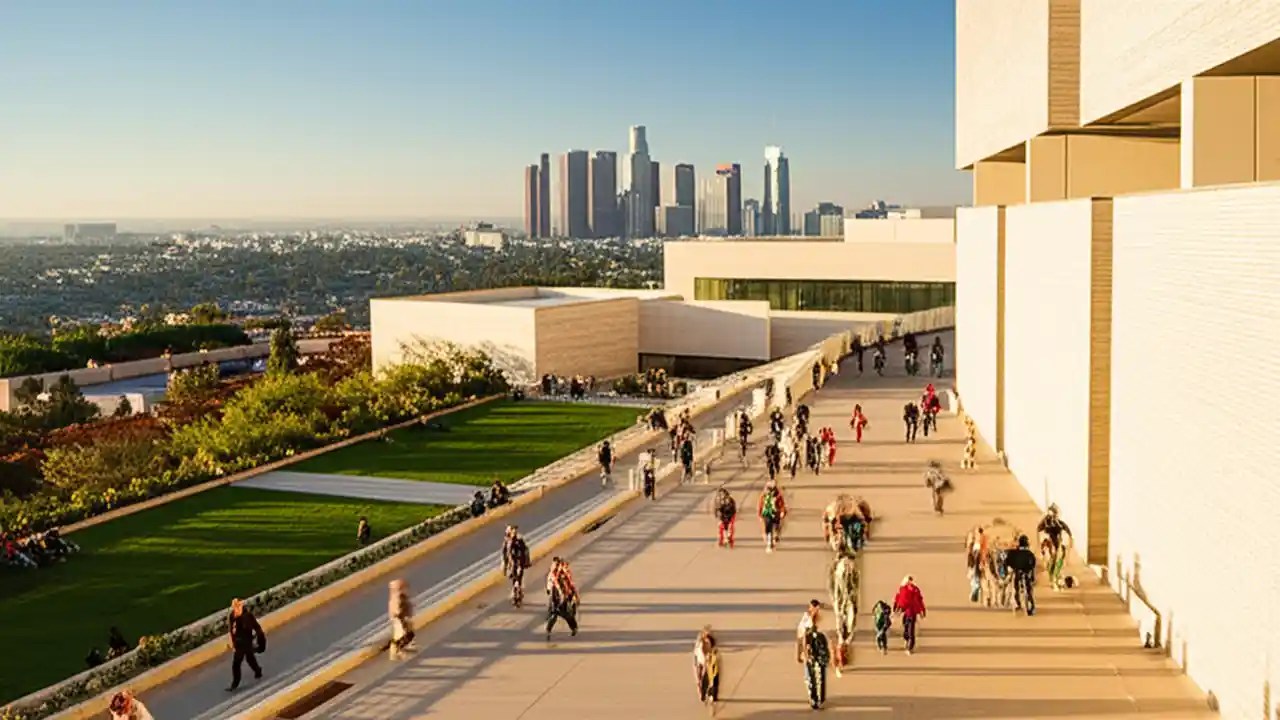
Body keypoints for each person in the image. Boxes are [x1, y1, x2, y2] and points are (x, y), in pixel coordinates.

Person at [827, 549, 860, 677]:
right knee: (841, 630)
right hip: (840, 601)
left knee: (849, 627)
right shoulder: (839, 570)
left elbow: (856, 585)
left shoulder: (852, 569)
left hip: (849, 601)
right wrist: (834, 599)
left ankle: (842, 656)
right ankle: (839, 661)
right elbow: (832, 585)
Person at [795, 600, 831, 710]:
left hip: (817, 651)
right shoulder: (806, 620)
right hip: (811, 651)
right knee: (811, 677)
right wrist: (801, 653)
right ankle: (815, 698)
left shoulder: (821, 620)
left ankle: (818, 698)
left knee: (817, 676)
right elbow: (801, 638)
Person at [225, 598, 265, 691]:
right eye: (235, 606)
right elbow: (232, 631)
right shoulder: (232, 616)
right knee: (248, 658)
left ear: (241, 606)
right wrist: (233, 643)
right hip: (239, 643)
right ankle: (257, 670)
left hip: (246, 640)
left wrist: (260, 637)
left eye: (238, 606)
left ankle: (235, 683)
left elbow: (256, 627)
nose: (237, 608)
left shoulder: (247, 616)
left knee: (238, 662)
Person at [1037, 504, 1073, 591]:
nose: (1053, 515)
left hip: (1057, 543)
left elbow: (1067, 531)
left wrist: (1069, 543)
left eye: (1054, 513)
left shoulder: (1058, 523)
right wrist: (1041, 544)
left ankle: (1055, 577)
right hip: (1049, 542)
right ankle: (1053, 577)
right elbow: (1039, 530)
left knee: (1058, 560)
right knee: (1051, 560)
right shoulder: (1046, 522)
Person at [1003, 534, 1038, 615]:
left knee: (1016, 588)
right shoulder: (1029, 553)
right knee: (1029, 590)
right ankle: (1031, 606)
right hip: (1026, 573)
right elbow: (1033, 565)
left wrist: (1008, 571)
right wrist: (1032, 575)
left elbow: (1007, 562)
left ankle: (1018, 604)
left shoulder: (1013, 553)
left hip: (1017, 573)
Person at [545, 557, 579, 639]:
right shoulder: (553, 574)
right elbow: (554, 583)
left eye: (557, 564)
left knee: (567, 614)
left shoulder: (564, 574)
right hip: (555, 597)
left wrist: (575, 595)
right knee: (554, 615)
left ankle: (574, 628)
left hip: (563, 597)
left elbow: (570, 584)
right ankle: (548, 631)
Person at [892, 576, 927, 655]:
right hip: (906, 613)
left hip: (913, 613)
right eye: (909, 581)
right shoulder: (903, 589)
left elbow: (920, 600)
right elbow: (899, 599)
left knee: (911, 631)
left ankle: (910, 647)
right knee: (905, 629)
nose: (910, 582)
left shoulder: (916, 590)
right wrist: (896, 608)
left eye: (911, 581)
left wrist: (922, 611)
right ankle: (906, 640)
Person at [692, 626, 721, 711]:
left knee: (711, 678)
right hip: (699, 662)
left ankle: (711, 695)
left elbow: (715, 654)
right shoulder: (699, 645)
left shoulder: (712, 643)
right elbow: (697, 658)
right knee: (699, 680)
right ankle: (702, 693)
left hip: (708, 663)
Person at [503, 526, 531, 607]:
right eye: (513, 533)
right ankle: (516, 591)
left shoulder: (519, 541)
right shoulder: (507, 542)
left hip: (519, 562)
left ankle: (518, 590)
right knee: (514, 578)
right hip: (513, 563)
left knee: (518, 578)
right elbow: (506, 554)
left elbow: (525, 551)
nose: (514, 534)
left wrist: (525, 561)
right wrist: (506, 564)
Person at [388, 579, 416, 659]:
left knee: (403, 635)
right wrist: (401, 617)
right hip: (400, 619)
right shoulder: (398, 597)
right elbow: (397, 610)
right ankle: (396, 652)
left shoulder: (401, 597)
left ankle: (397, 651)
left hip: (402, 619)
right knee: (402, 635)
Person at [757, 481, 787, 552]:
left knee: (777, 527)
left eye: (772, 489)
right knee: (768, 529)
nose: (770, 491)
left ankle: (776, 536)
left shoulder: (778, 496)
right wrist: (760, 515)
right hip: (767, 514)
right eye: (769, 489)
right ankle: (769, 543)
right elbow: (760, 506)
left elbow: (782, 505)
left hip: (776, 514)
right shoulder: (764, 496)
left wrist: (782, 512)